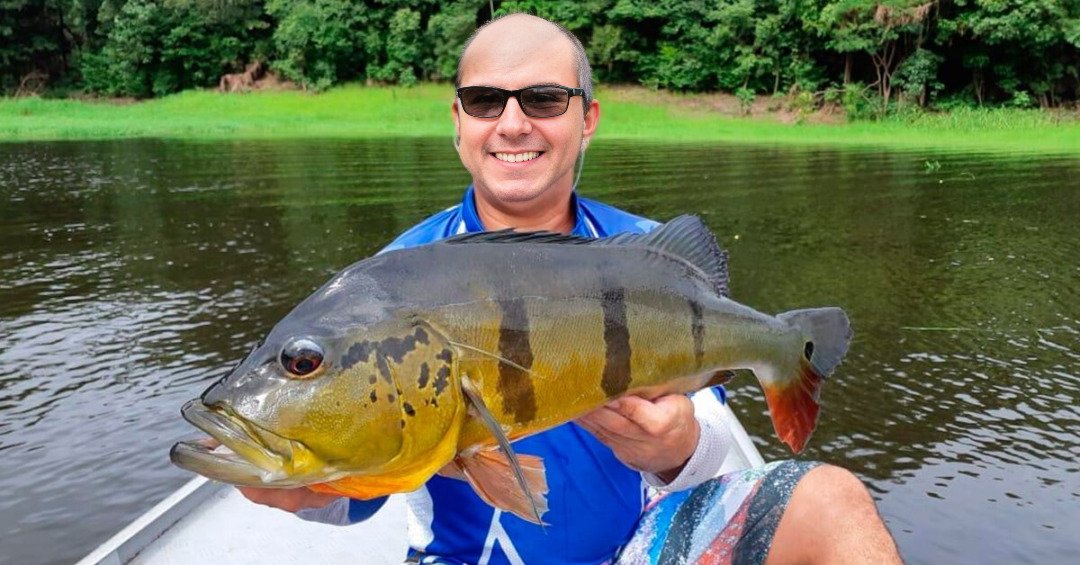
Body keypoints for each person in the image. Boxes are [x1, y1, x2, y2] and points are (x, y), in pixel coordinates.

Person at [239, 13, 903, 565]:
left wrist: (677, 447)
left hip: (639, 549)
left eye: (544, 99)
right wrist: (297, 480)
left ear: (587, 118)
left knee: (832, 499)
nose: (513, 122)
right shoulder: (386, 279)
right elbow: (362, 491)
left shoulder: (646, 255)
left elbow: (712, 452)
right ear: (459, 120)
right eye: (485, 100)